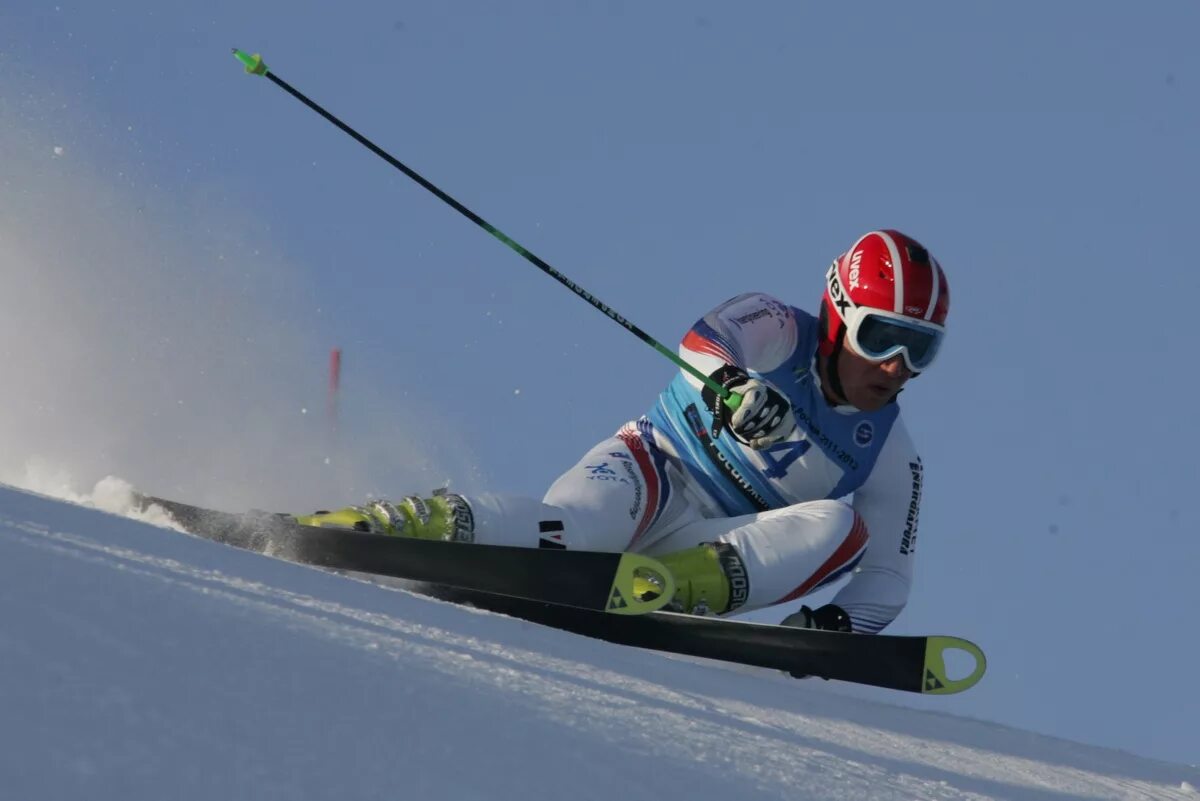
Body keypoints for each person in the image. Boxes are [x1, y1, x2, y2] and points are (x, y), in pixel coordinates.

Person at [299, 229, 949, 634]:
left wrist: (836, 627)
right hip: (655, 470)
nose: (897, 365)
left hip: (712, 542)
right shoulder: (779, 327)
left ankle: (676, 591)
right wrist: (732, 386)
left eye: (922, 348)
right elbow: (703, 339)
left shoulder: (891, 450)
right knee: (570, 531)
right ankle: (396, 522)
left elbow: (890, 574)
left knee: (844, 528)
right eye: (882, 335)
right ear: (838, 316)